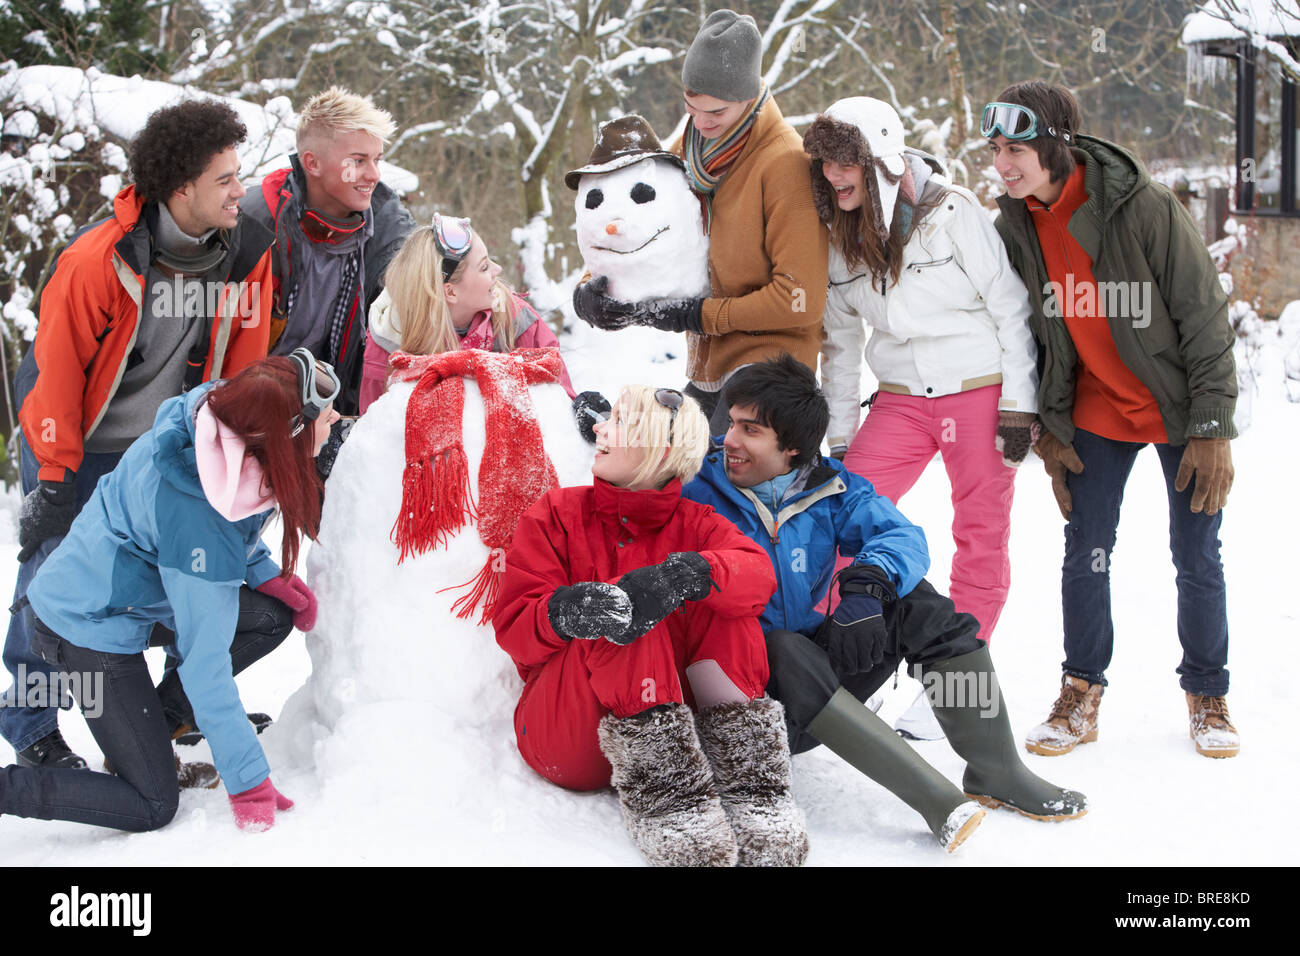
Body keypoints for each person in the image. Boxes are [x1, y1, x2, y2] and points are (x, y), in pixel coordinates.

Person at [682, 356, 1087, 851]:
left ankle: (996, 770)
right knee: (782, 645)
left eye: (751, 429)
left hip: (810, 695)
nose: (731, 440)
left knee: (920, 604)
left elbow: (902, 536)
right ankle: (931, 797)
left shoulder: (830, 486)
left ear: (791, 447)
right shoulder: (694, 491)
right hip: (737, 708)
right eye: (732, 423)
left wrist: (867, 588)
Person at [4, 98, 275, 773]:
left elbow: (240, 373)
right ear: (181, 189)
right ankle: (30, 722)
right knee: (52, 577)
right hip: (81, 443)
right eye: (225, 179)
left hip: (166, 448)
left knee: (205, 566)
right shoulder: (99, 260)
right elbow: (56, 377)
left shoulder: (245, 253)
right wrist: (57, 483)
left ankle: (172, 708)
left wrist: (229, 460)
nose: (241, 191)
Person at [983, 82, 1240, 758]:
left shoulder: (1142, 206)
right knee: (1086, 553)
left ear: (1056, 145)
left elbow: (1204, 315)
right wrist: (1048, 429)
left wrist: (1213, 426)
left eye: (1017, 150)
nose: (1002, 164)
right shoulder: (1015, 221)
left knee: (1195, 554)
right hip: (1095, 410)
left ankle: (1208, 693)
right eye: (996, 149)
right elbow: (1030, 337)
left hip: (1177, 408)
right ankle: (1080, 692)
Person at [0, 353, 335, 832]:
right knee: (153, 803)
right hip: (83, 624)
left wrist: (264, 573)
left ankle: (149, 727)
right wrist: (248, 781)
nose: (336, 419)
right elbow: (205, 664)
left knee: (269, 616)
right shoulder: (199, 521)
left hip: (132, 595)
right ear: (288, 438)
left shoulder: (220, 423)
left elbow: (232, 518)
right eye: (325, 415)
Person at [493, 385, 808, 867]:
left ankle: (751, 785)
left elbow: (757, 577)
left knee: (722, 595)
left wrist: (685, 576)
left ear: (660, 449)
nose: (598, 427)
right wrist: (567, 611)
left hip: (680, 731)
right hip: (567, 733)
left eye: (618, 422)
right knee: (626, 608)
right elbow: (515, 628)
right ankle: (672, 804)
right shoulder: (556, 515)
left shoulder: (697, 523)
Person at [805, 96, 1039, 739]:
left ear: (879, 155)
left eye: (844, 159)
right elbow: (842, 343)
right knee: (839, 513)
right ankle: (835, 665)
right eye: (823, 161)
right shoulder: (839, 234)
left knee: (980, 536)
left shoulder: (953, 212)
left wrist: (1020, 405)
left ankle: (953, 689)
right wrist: (844, 435)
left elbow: (1010, 308)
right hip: (903, 397)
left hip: (977, 389)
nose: (833, 174)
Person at [571, 9, 828, 435]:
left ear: (749, 98)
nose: (703, 122)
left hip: (773, 371)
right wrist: (593, 288)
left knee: (711, 477)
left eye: (717, 112)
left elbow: (800, 301)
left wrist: (697, 315)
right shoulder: (689, 148)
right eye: (691, 107)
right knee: (667, 473)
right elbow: (642, 232)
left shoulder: (785, 164)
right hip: (710, 365)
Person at [241, 87, 415, 414]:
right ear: (313, 163)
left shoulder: (390, 228)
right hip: (250, 401)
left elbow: (441, 277)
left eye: (377, 160)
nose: (374, 175)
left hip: (334, 410)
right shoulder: (254, 218)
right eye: (358, 161)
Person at [360, 214, 576, 412]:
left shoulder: (516, 319)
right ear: (450, 291)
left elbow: (561, 404)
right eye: (484, 267)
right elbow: (376, 435)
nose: (497, 269)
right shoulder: (390, 339)